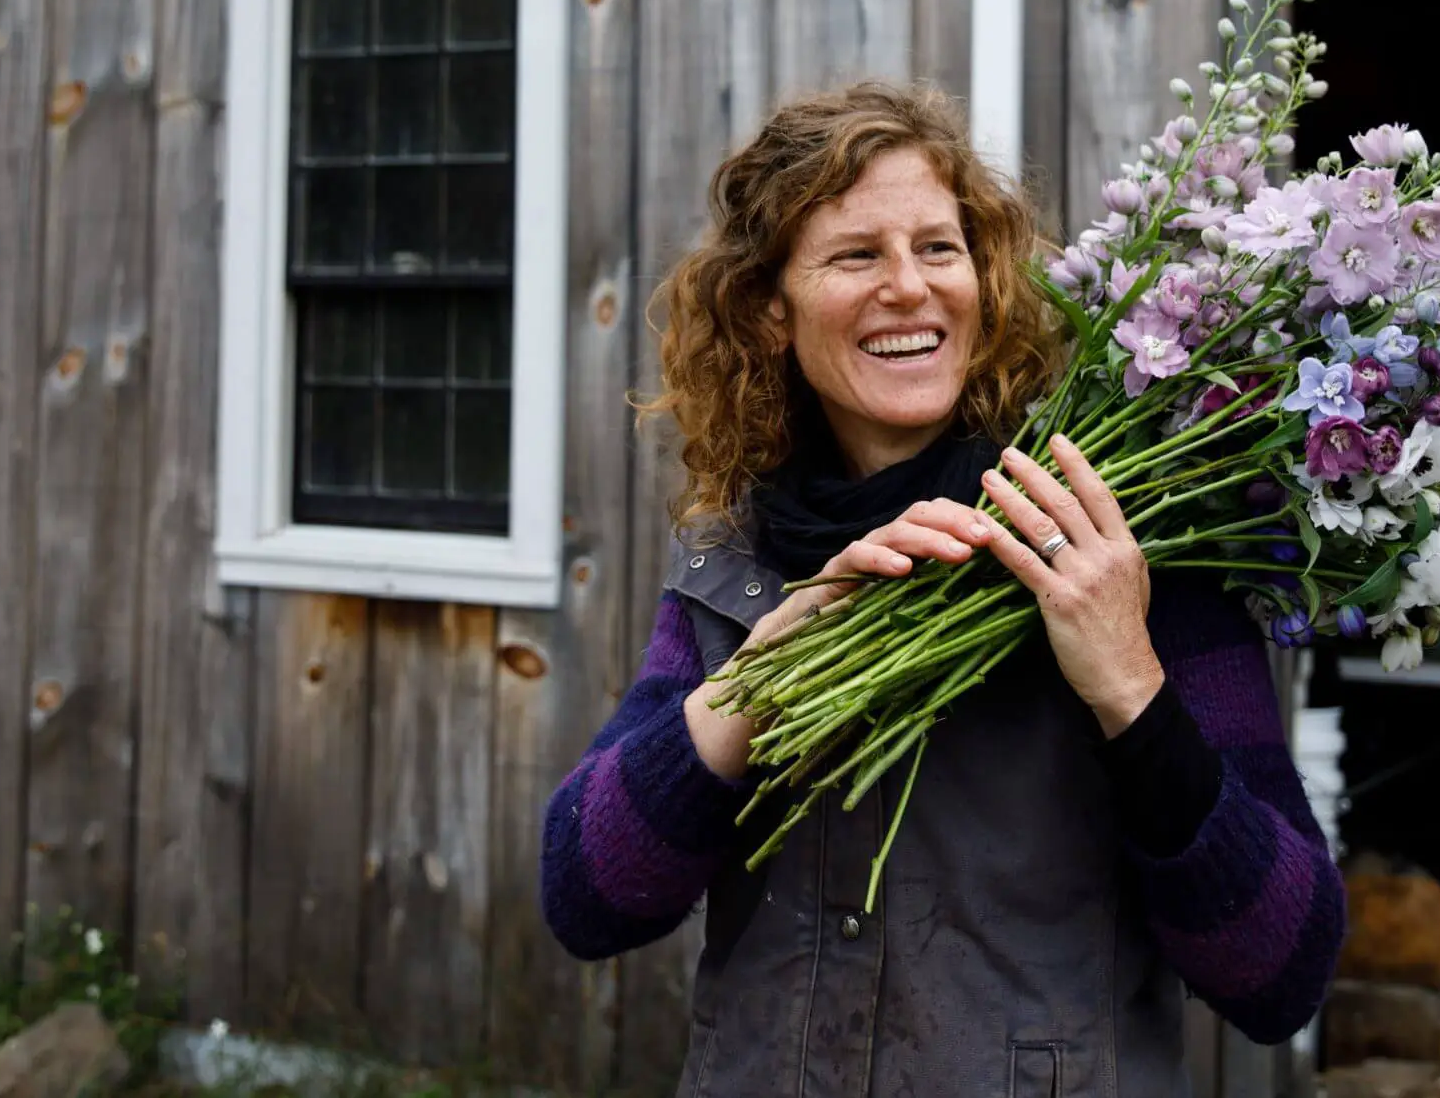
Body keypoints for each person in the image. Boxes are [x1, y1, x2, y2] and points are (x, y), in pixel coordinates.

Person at [540, 82, 1344, 1096]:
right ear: (770, 310)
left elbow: (1282, 972)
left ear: (985, 279)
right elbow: (586, 898)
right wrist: (763, 678)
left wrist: (1128, 685)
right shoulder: (735, 561)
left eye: (937, 247)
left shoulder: (1119, 548)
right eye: (854, 255)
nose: (910, 288)